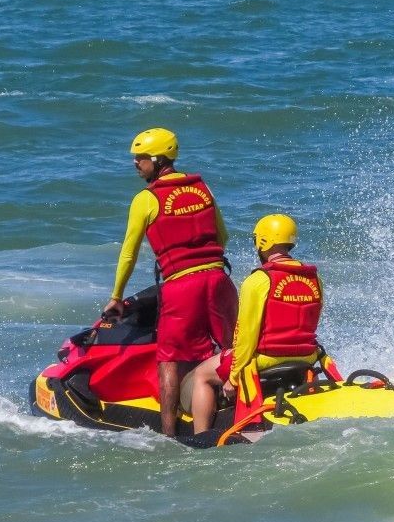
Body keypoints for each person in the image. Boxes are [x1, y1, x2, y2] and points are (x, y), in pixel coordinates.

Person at [102, 128, 237, 437]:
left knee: (169, 360)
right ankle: (238, 408)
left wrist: (116, 296)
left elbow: (128, 253)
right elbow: (223, 236)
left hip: (182, 287)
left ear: (158, 160)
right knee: (231, 351)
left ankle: (169, 434)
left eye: (140, 158)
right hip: (218, 280)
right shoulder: (203, 188)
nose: (136, 163)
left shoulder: (146, 199)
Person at [188, 214, 337, 434]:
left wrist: (234, 376)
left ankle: (201, 436)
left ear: (263, 242)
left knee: (201, 375)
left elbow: (246, 336)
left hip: (265, 359)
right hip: (306, 357)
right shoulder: (314, 278)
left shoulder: (258, 280)